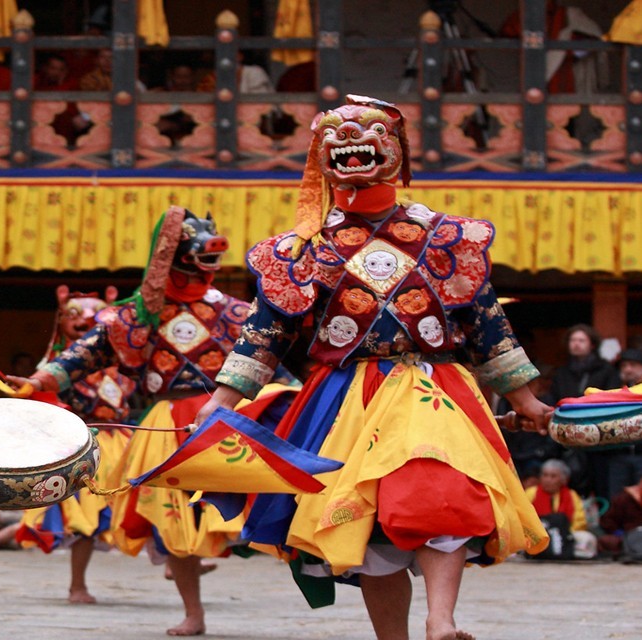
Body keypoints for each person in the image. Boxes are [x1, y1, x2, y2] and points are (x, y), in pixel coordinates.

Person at [196, 95, 553, 640]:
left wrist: (527, 400)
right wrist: (219, 404)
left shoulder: (446, 236)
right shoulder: (301, 250)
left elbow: (486, 322)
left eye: (369, 130)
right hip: (347, 397)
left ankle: (440, 619)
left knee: (443, 496)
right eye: (334, 133)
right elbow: (265, 332)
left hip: (434, 385)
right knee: (375, 531)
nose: (349, 139)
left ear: (397, 149)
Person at [12, 207, 249, 636]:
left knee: (248, 505)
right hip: (170, 416)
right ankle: (193, 611)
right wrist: (39, 380)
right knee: (174, 517)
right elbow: (87, 352)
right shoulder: (138, 315)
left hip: (230, 413)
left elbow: (267, 354)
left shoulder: (235, 311)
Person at [15, 285, 136, 605]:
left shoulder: (118, 359)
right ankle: (76, 585)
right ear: (61, 320)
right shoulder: (55, 365)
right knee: (86, 517)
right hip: (78, 443)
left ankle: (176, 558)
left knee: (149, 499)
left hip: (120, 442)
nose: (84, 321)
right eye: (75, 315)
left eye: (92, 316)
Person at [550, 324, 622, 499]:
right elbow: (554, 402)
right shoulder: (562, 373)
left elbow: (613, 401)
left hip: (599, 439)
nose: (576, 344)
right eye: (573, 340)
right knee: (572, 487)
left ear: (592, 344)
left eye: (581, 340)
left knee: (602, 486)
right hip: (569, 439)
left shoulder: (606, 371)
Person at [525, 459, 597, 559]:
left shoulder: (571, 495)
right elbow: (523, 518)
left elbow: (580, 522)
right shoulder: (531, 493)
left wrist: (562, 533)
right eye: (545, 475)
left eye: (553, 476)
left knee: (587, 538)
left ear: (564, 479)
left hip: (565, 535)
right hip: (537, 536)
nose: (548, 480)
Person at [598, 476, 642, 560]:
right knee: (606, 541)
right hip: (629, 536)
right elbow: (608, 520)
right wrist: (617, 532)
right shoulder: (625, 498)